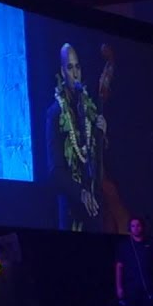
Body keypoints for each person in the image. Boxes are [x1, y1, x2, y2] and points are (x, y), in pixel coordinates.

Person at [46, 43, 107, 232]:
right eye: (70, 67)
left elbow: (96, 161)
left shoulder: (89, 111)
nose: (75, 73)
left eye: (78, 67)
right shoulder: (55, 113)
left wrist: (102, 135)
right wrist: (79, 192)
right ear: (63, 72)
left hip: (95, 208)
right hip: (72, 211)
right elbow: (55, 171)